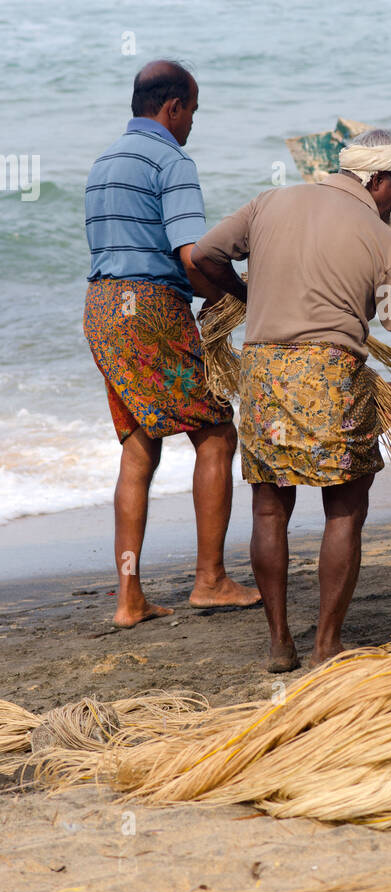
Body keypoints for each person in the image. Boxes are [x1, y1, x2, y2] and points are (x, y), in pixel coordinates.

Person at [192, 129, 391, 673]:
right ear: (378, 180)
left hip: (264, 374)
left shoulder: (270, 201)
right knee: (345, 507)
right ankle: (328, 644)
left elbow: (203, 254)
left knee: (269, 506)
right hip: (333, 376)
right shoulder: (383, 241)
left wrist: (245, 297)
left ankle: (280, 643)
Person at [83, 60, 260, 626]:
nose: (192, 125)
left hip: (103, 308)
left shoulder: (103, 161)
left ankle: (129, 599)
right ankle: (210, 580)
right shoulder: (171, 159)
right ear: (173, 107)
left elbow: (128, 249)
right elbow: (192, 256)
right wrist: (240, 293)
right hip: (149, 312)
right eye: (193, 112)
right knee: (215, 433)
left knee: (139, 446)